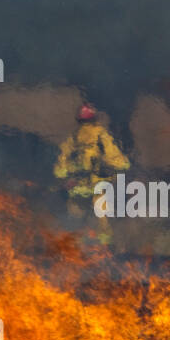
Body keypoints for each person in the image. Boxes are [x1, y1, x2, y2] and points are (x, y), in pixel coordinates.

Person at [52, 102, 130, 245]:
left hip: (83, 186)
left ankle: (83, 248)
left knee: (78, 217)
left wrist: (66, 174)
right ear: (94, 119)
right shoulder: (99, 134)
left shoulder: (75, 137)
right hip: (94, 184)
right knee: (99, 216)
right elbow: (118, 159)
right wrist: (119, 164)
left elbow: (61, 165)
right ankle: (101, 248)